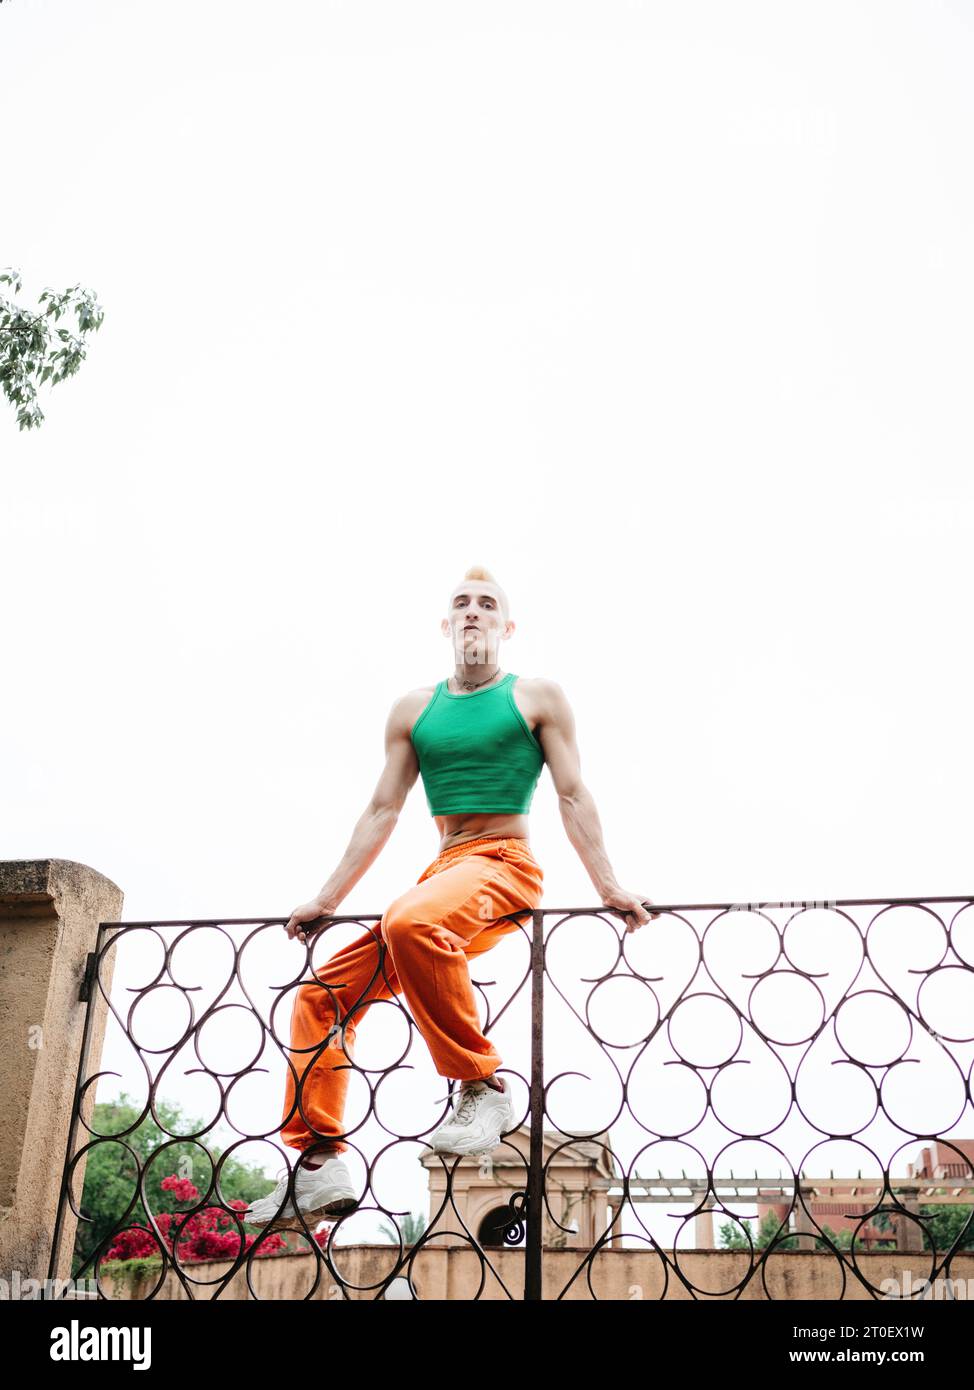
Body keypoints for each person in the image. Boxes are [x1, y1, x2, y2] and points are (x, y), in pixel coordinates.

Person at [244, 566, 658, 1230]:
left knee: (410, 925)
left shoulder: (537, 696)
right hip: (441, 876)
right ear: (446, 624)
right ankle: (320, 1165)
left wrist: (608, 885)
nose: (473, 612)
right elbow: (381, 810)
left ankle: (482, 1085)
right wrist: (326, 897)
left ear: (506, 626)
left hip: (504, 865)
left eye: (487, 604)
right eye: (461, 603)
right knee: (321, 996)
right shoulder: (415, 709)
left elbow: (573, 794)